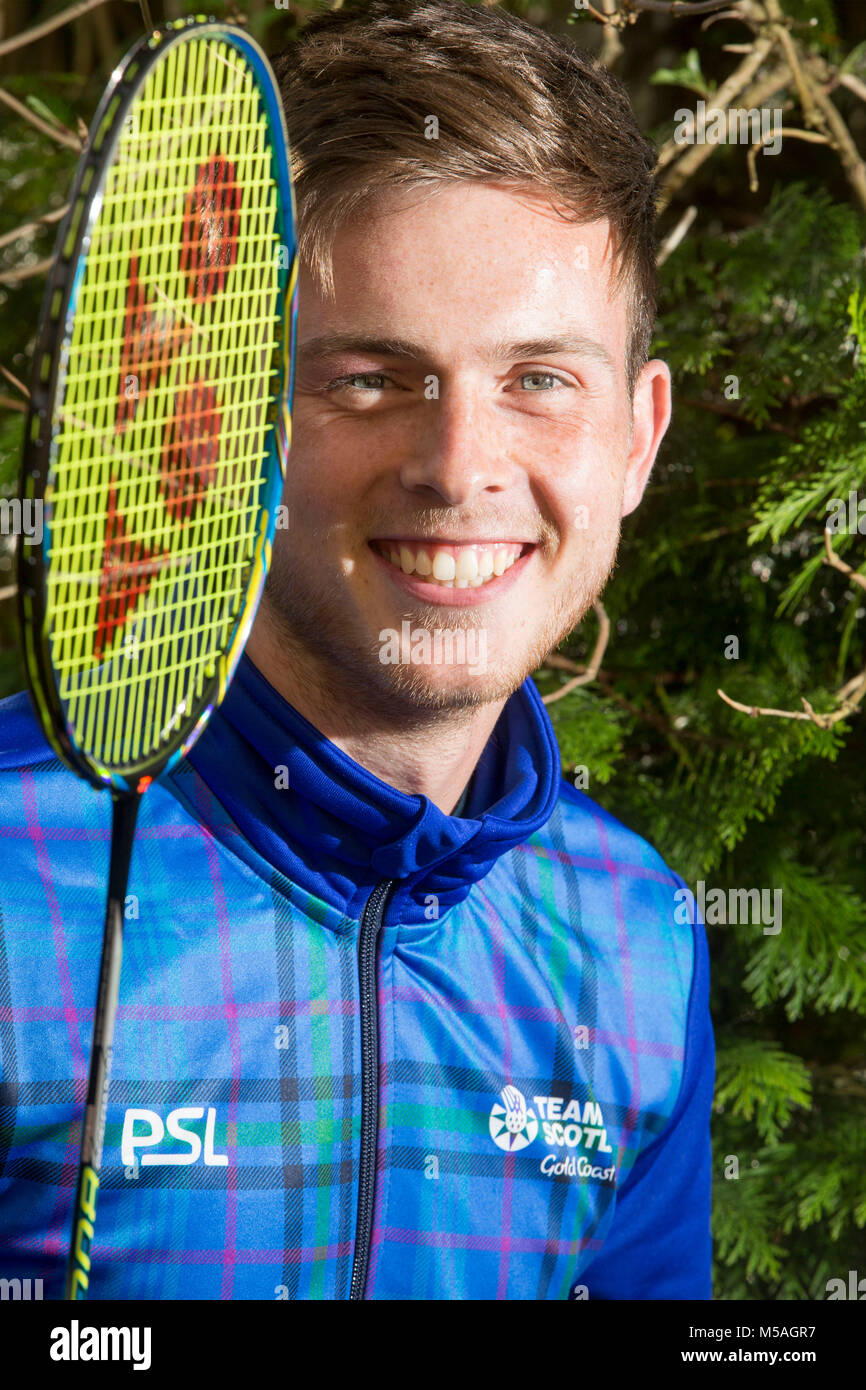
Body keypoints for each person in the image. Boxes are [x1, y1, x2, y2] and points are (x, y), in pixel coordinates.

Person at [0, 0, 713, 1300]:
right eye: (369, 378)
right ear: (231, 418)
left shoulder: (635, 937)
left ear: (636, 437)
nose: (457, 469)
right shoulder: (13, 870)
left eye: (539, 380)